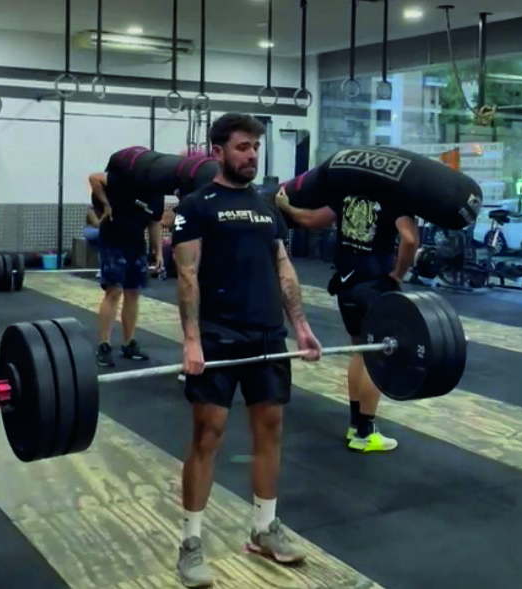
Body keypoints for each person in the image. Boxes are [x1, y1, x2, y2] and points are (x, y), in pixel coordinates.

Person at [170, 112, 323, 587]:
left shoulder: (267, 208)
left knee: (270, 429)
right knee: (208, 435)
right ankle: (190, 543)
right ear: (218, 152)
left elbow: (283, 267)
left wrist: (301, 326)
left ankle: (264, 528)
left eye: (256, 146)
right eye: (242, 147)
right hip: (218, 333)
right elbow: (187, 274)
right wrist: (192, 341)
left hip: (266, 333)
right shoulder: (196, 206)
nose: (252, 155)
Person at [274, 186, 419, 453]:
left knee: (359, 351)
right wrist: (398, 275)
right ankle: (365, 432)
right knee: (377, 356)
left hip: (346, 286)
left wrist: (286, 206)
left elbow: (312, 220)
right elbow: (409, 240)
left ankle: (356, 425)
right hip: (375, 285)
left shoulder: (347, 191)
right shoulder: (394, 196)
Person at [87, 169, 165, 367]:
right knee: (113, 291)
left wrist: (158, 252)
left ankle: (129, 343)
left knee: (133, 292)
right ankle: (104, 345)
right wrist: (106, 205)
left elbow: (154, 223)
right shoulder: (126, 179)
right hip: (113, 241)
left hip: (136, 245)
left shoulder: (157, 194)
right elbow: (94, 178)